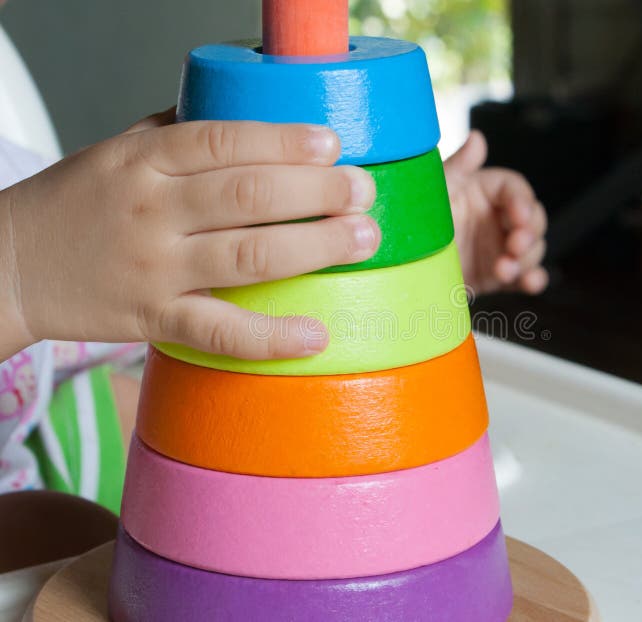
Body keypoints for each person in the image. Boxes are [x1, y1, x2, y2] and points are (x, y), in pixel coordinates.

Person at [0, 14, 547, 572]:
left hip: (48, 424)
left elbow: (130, 307)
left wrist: (400, 249)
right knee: (61, 527)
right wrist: (19, 268)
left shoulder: (16, 169)